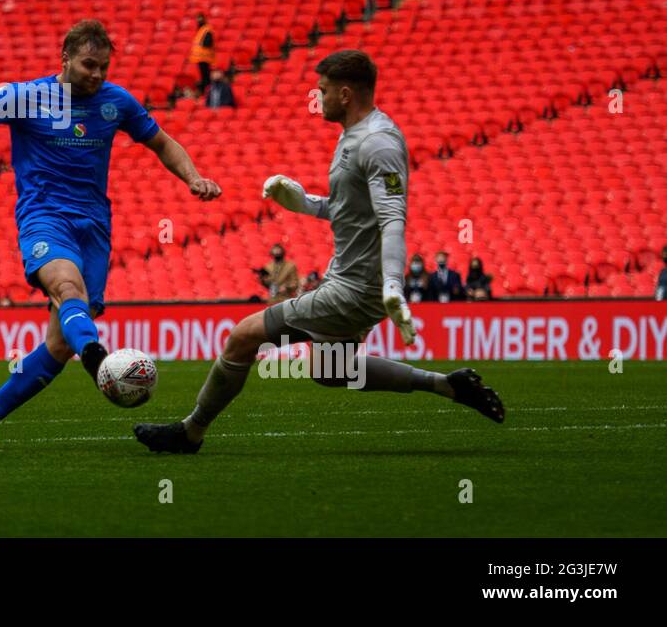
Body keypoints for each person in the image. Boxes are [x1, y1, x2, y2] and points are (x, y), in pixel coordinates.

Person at [134, 49, 504, 455]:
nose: (318, 98)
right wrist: (304, 202)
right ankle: (447, 385)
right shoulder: (356, 135)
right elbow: (351, 213)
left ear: (345, 94)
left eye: (323, 91)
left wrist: (394, 285)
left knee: (242, 338)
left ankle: (190, 432)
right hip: (352, 278)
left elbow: (392, 218)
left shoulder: (377, 143)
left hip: (358, 286)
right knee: (331, 370)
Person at [0, 19, 222, 450]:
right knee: (68, 287)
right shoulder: (24, 97)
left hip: (94, 229)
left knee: (56, 346)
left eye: (103, 66)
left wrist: (193, 177)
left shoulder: (116, 102)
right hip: (44, 218)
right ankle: (97, 359)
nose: (97, 75)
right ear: (64, 58)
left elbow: (162, 142)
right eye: (89, 65)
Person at [189, 13, 215, 95]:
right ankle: (205, 92)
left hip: (205, 58)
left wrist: (202, 44)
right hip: (200, 58)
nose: (198, 20)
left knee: (206, 77)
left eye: (200, 18)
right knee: (204, 77)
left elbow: (208, 43)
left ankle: (207, 92)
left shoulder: (206, 29)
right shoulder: (201, 29)